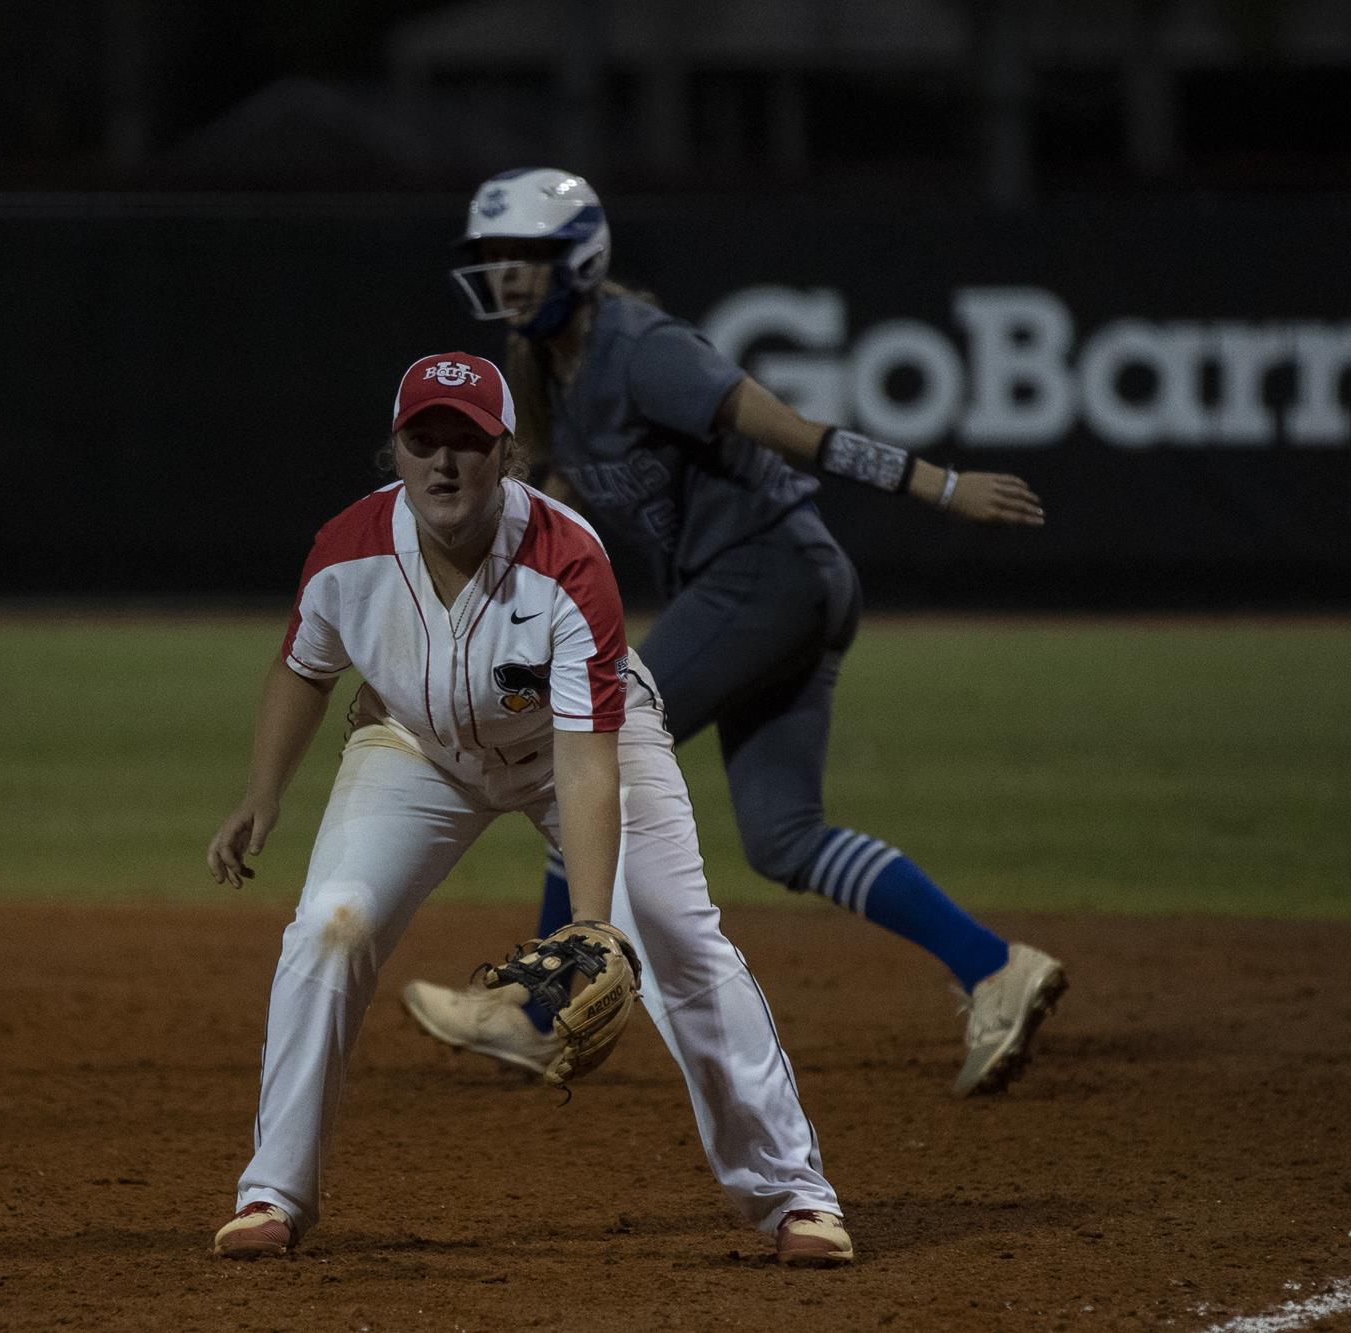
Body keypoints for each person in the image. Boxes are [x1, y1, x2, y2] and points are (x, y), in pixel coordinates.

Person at [401, 168, 1066, 1098]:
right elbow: (561, 497)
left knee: (584, 746)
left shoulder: (643, 347)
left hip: (768, 573)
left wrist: (939, 486)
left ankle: (537, 1012)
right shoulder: (545, 367)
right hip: (776, 583)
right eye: (496, 259)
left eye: (528, 257)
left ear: (580, 258)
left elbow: (791, 432)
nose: (508, 277)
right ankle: (994, 966)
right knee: (784, 837)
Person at [204, 350, 854, 1267]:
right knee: (329, 924)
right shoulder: (347, 550)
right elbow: (305, 668)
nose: (443, 462)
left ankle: (796, 1195)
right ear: (393, 449)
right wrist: (260, 797)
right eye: (423, 439)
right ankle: (272, 1192)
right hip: (417, 746)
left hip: (581, 741)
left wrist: (592, 924)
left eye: (467, 443)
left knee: (671, 930)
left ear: (506, 454)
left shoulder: (565, 557)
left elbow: (585, 761)